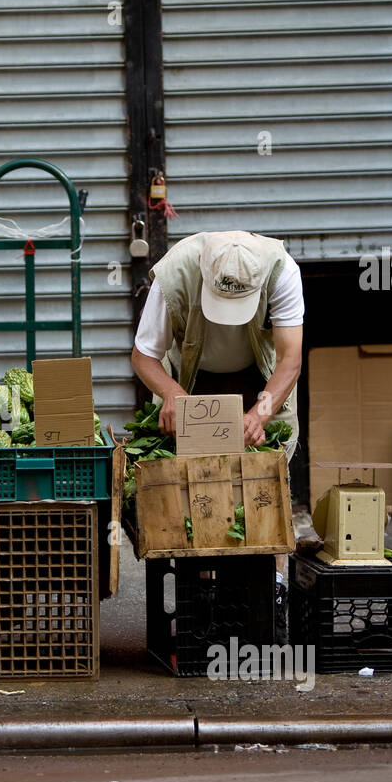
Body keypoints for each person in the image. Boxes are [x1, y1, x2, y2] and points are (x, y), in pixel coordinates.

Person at [130, 229, 304, 625]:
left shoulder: (281, 272)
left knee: (268, 488)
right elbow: (144, 356)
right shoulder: (174, 274)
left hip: (262, 383)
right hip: (194, 382)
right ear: (203, 273)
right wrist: (172, 395)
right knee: (199, 489)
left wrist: (260, 412)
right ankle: (204, 595)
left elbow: (289, 360)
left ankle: (272, 591)